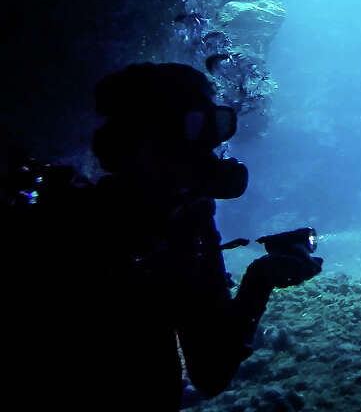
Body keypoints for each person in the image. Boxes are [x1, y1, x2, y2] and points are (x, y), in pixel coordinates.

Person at [1, 63, 323, 410]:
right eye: (193, 126)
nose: (210, 148)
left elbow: (211, 371)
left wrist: (259, 281)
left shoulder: (189, 223)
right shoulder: (56, 223)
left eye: (215, 125)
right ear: (135, 142)